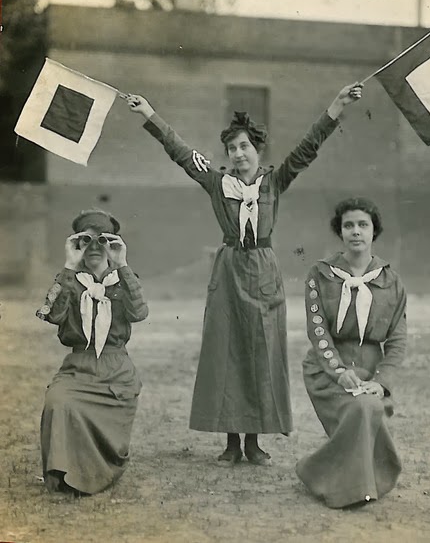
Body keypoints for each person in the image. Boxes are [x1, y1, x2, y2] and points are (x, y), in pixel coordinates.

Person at [126, 84, 363, 465]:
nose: (238, 155)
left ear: (257, 150)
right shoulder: (218, 183)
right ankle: (231, 442)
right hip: (229, 271)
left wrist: (336, 105)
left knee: (261, 352)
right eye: (232, 149)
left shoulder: (275, 181)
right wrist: (149, 114)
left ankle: (254, 441)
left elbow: (308, 147)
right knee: (227, 353)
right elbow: (180, 152)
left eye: (244, 148)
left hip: (264, 272)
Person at [296, 197, 407, 508]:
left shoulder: (391, 281)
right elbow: (317, 331)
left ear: (374, 231)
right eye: (348, 225)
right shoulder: (320, 275)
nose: (355, 231)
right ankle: (352, 488)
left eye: (363, 225)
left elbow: (398, 339)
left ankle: (317, 469)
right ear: (339, 231)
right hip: (328, 368)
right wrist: (339, 371)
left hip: (370, 372)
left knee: (369, 406)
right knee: (361, 410)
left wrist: (383, 381)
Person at [37, 209, 148, 495]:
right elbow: (51, 314)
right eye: (87, 241)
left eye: (103, 241)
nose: (95, 249)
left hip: (116, 368)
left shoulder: (123, 278)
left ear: (113, 246)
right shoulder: (70, 280)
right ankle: (64, 471)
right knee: (57, 402)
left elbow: (139, 312)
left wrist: (122, 263)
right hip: (78, 366)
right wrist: (69, 265)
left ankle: (98, 468)